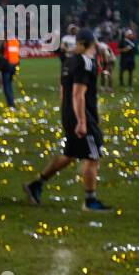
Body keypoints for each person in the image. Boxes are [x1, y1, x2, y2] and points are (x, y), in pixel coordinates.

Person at [24, 28, 112, 212]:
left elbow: (63, 90)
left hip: (68, 113)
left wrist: (67, 114)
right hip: (82, 116)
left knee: (69, 154)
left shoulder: (69, 61)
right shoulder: (85, 63)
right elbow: (78, 94)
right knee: (92, 156)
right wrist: (81, 121)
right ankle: (90, 200)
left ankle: (36, 184)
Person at [0, 36, 20, 107]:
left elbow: (1, 52)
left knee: (6, 86)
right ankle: (11, 101)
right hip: (14, 66)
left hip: (7, 66)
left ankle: (10, 103)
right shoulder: (16, 41)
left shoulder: (6, 41)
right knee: (10, 84)